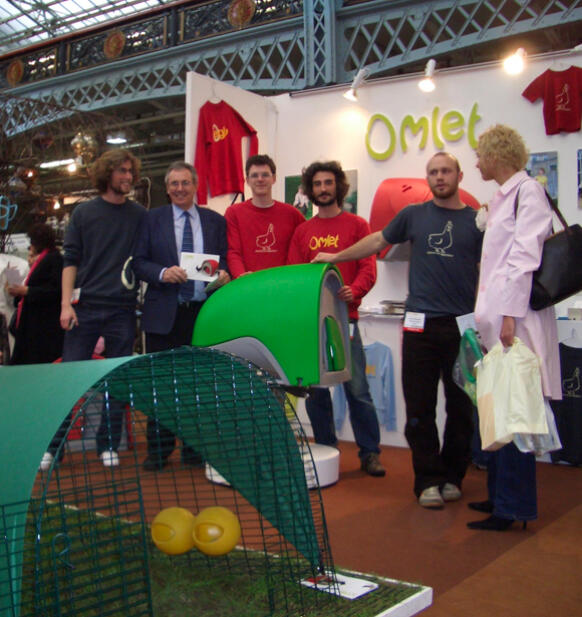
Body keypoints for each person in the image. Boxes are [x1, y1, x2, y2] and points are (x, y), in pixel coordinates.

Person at [312, 153, 483, 505]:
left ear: (459, 176)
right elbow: (376, 242)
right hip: (418, 326)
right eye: (433, 172)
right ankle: (428, 482)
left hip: (463, 328)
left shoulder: (477, 222)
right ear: (428, 178)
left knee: (462, 407)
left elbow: (491, 267)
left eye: (446, 171)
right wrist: (335, 257)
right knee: (419, 408)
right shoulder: (413, 215)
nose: (439, 177)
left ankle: (453, 475)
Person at [468, 124, 561, 531]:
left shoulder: (528, 192)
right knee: (498, 409)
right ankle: (500, 497)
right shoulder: (504, 196)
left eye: (479, 154)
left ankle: (513, 507)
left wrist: (508, 315)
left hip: (517, 320)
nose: (476, 162)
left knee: (514, 411)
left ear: (495, 155)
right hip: (502, 318)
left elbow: (524, 256)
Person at [47, 148, 146, 470]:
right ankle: (53, 448)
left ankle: (108, 444)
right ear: (107, 174)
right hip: (84, 308)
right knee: (68, 382)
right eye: (121, 171)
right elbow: (70, 260)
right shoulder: (84, 213)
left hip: (122, 310)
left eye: (130, 171)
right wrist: (65, 305)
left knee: (116, 382)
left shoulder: (139, 215)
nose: (128, 177)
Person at [288, 160, 385, 477]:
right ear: (310, 190)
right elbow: (295, 275)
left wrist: (353, 291)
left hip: (347, 321)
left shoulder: (357, 226)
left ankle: (370, 453)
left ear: (338, 187)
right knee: (317, 392)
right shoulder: (303, 231)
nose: (323, 189)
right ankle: (326, 448)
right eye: (317, 184)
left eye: (328, 183)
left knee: (357, 390)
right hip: (311, 325)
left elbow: (369, 268)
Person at [133, 161, 230, 471]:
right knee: (161, 386)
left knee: (199, 385)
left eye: (185, 183)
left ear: (196, 184)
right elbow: (138, 262)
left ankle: (195, 450)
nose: (179, 189)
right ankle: (159, 451)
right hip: (164, 315)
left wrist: (225, 275)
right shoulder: (152, 219)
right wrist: (162, 272)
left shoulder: (215, 221)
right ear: (167, 187)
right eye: (173, 184)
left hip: (203, 314)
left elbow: (224, 260)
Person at [225, 154, 304, 278]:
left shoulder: (292, 214)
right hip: (248, 285)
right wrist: (241, 276)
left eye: (265, 175)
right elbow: (233, 251)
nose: (260, 179)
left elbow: (304, 246)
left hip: (283, 285)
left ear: (274, 178)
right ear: (247, 181)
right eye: (255, 175)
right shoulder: (234, 213)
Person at [7, 223, 63, 365]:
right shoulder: (45, 259)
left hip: (43, 326)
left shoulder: (54, 259)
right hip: (32, 323)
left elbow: (55, 290)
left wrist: (27, 291)